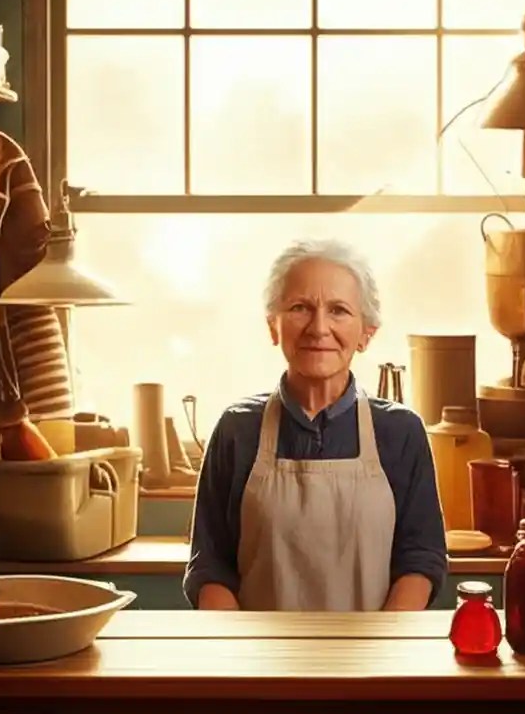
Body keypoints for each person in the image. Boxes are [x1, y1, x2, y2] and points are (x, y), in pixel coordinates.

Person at [183, 239, 448, 611]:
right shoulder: (235, 431)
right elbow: (210, 569)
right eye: (299, 308)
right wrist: (239, 658)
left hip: (373, 659)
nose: (319, 327)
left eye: (339, 310)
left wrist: (380, 651)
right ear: (274, 326)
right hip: (258, 661)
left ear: (366, 333)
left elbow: (421, 560)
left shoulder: (401, 432)